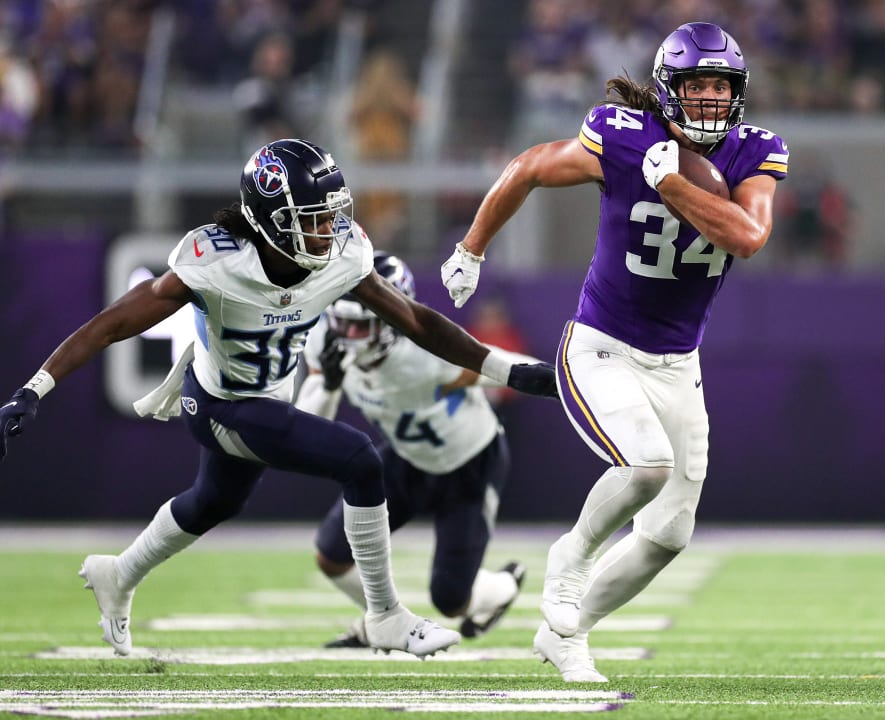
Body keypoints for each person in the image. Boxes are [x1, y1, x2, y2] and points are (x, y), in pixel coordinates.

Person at [0, 138, 556, 659]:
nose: (330, 232)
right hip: (221, 404)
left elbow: (418, 322)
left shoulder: (340, 259)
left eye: (334, 215)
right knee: (360, 461)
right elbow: (111, 324)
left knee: (212, 502)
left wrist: (508, 370)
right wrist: (35, 388)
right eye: (315, 220)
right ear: (271, 223)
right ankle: (384, 614)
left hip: (265, 396)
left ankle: (117, 575)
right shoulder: (215, 262)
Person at [440, 22, 787, 682]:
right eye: (697, 85)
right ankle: (568, 559)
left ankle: (565, 635)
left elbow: (747, 236)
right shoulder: (624, 137)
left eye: (721, 85)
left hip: (677, 363)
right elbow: (531, 166)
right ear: (669, 89)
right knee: (647, 466)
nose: (711, 98)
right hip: (602, 346)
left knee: (666, 535)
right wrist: (471, 246)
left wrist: (677, 186)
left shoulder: (756, 153)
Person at [296, 251, 528, 645]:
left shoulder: (428, 354)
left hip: (470, 463)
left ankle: (503, 584)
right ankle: (386, 621)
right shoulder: (326, 340)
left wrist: (570, 382)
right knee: (331, 556)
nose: (349, 337)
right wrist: (330, 385)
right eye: (344, 324)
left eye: (362, 326)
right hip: (406, 457)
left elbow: (509, 369)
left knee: (452, 601)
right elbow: (305, 430)